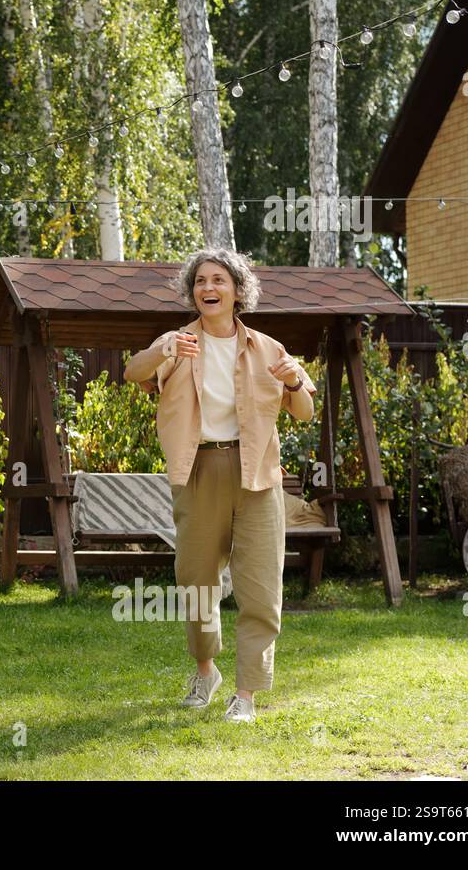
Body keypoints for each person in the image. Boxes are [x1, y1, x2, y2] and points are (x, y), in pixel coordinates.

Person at [122, 249, 315, 723]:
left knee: (260, 588)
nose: (208, 288)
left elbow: (305, 411)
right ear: (194, 292)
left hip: (257, 478)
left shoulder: (269, 349)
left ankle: (245, 696)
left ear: (237, 291)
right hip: (198, 472)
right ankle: (206, 671)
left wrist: (294, 384)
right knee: (197, 582)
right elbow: (134, 371)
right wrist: (165, 351)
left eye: (219, 280)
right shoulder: (176, 342)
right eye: (200, 281)